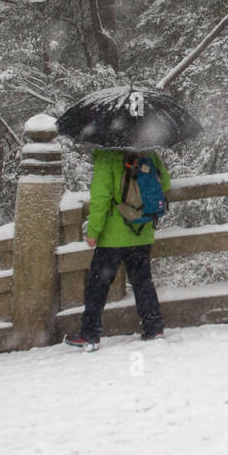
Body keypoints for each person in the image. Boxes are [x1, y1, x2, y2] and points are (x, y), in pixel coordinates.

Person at [65, 148, 170, 351]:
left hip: (113, 238)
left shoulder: (107, 157)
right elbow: (165, 183)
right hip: (142, 231)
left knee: (98, 285)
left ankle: (90, 334)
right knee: (142, 282)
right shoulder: (147, 152)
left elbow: (100, 199)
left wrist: (94, 231)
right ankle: (154, 327)